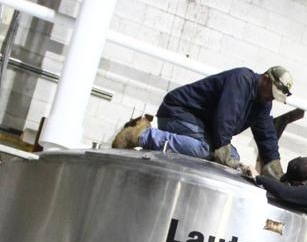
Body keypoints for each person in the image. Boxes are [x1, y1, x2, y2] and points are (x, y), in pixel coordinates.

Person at [112, 66, 293, 178]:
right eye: (272, 93)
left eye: (275, 97)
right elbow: (225, 117)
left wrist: (279, 176)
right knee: (205, 150)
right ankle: (140, 135)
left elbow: (267, 137)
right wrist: (222, 152)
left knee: (234, 157)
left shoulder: (263, 103)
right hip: (178, 111)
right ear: (265, 78)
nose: (271, 98)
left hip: (201, 125)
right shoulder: (242, 79)